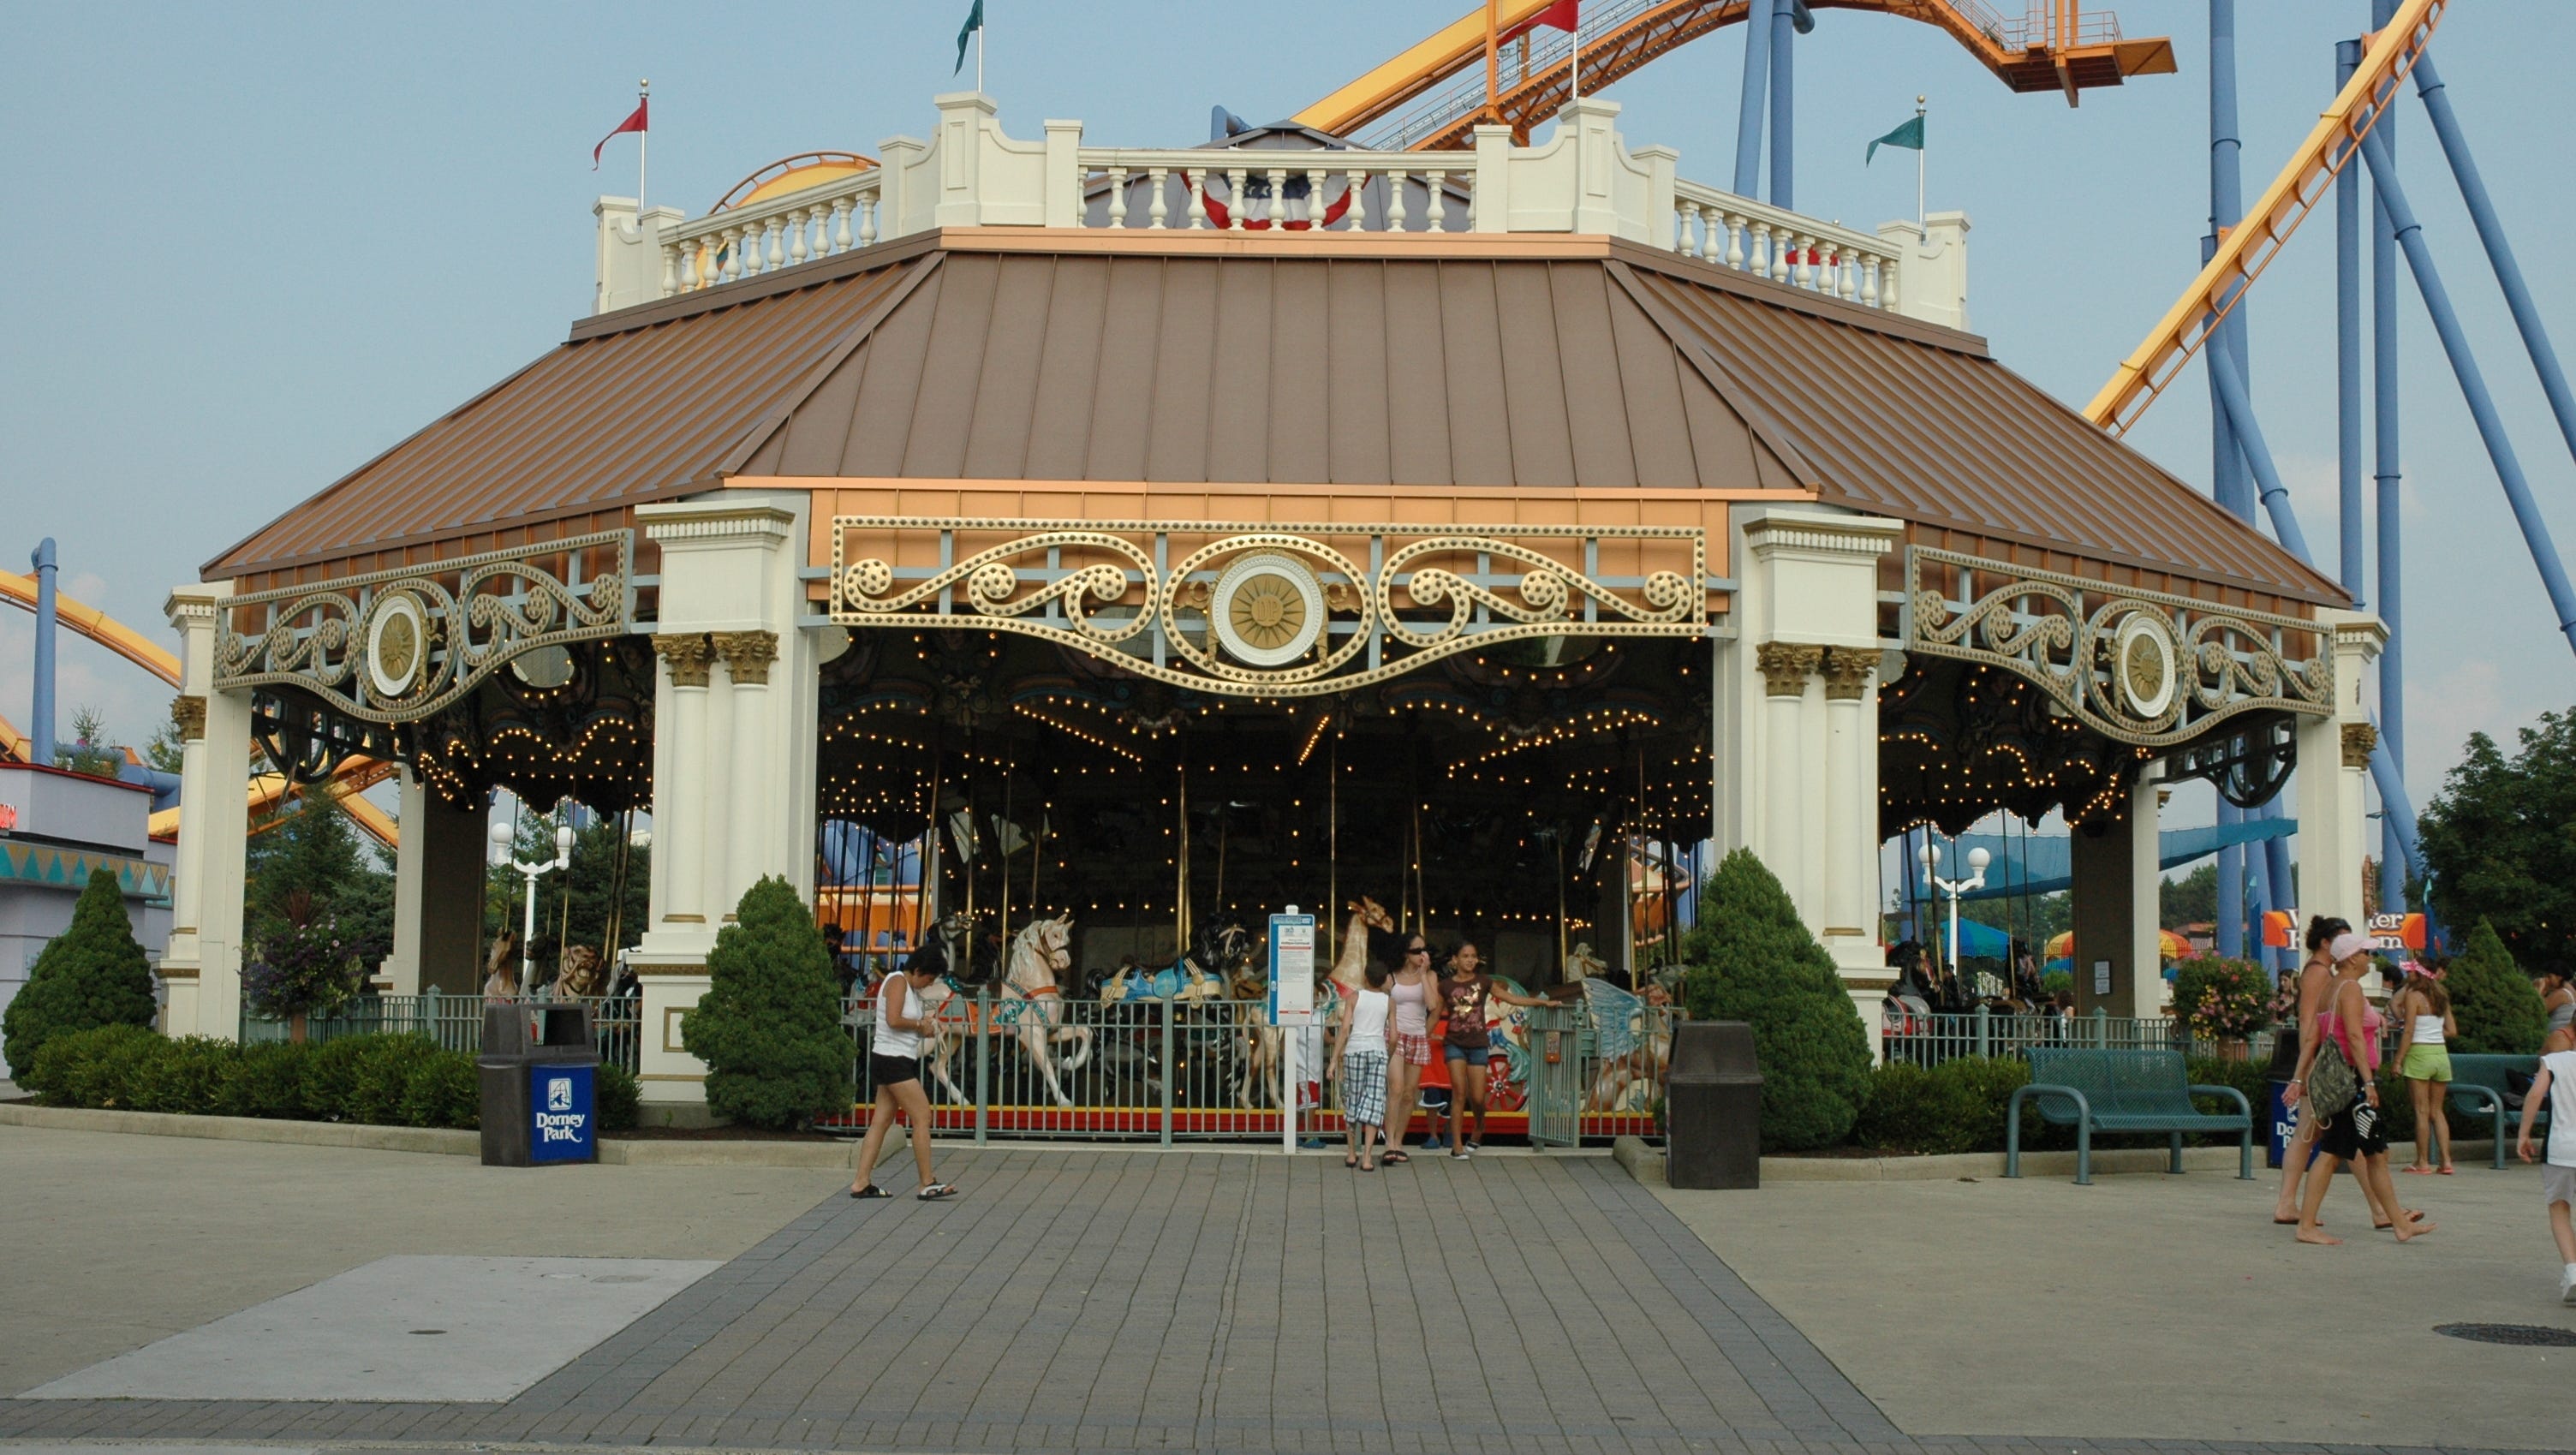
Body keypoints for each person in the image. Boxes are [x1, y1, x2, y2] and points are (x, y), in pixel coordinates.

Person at [2287, 932, 2430, 1245]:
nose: (2370, 958)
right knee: (2332, 1153)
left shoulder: (2329, 988)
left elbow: (2312, 1038)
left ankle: (2398, 1223)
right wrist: (2368, 1082)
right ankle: (2307, 1225)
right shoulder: (2349, 989)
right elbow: (2353, 1038)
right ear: (2351, 958)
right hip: (2350, 1082)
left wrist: (2298, 1079)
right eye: (2365, 953)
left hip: (2344, 1083)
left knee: (2376, 1152)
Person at [850, 945, 959, 1202]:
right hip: (893, 1059)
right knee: (922, 1115)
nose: (927, 985)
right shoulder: (898, 982)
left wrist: (926, 1025)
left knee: (882, 1120)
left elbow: (901, 1022)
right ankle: (926, 1181)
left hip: (889, 1058)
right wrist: (921, 1025)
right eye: (928, 979)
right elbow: (893, 1020)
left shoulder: (906, 986)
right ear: (918, 971)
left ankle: (861, 1181)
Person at [1436, 939, 1548, 1158]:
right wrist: (1423, 1032)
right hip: (1454, 1043)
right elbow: (1435, 1012)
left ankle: (1479, 1127)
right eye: (1466, 956)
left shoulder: (1484, 982)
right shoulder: (1446, 985)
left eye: (1473, 956)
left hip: (1478, 1044)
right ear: (1455, 959)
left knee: (1477, 1097)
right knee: (1459, 1094)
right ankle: (1457, 1145)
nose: (1470, 960)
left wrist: (1542, 1003)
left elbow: (1512, 998)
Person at [2272, 916, 2351, 1225]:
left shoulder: (2320, 972)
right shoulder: (2318, 974)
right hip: (2320, 1061)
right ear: (2326, 942)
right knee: (2328, 1132)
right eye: (2342, 940)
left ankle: (2287, 1203)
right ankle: (2382, 1209)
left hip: (2318, 1059)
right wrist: (2307, 1067)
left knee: (2308, 1134)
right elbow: (2308, 1022)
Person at [2515, 1025, 2576, 1303]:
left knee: (2559, 1207)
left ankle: (2573, 1271)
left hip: (2560, 1148)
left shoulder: (2554, 1061)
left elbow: (2535, 1095)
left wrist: (2524, 1134)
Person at [2390, 962, 2458, 1176]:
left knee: (2421, 1111)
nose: (2407, 973)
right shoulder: (2441, 997)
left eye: (2411, 971)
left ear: (2418, 974)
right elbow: (2452, 1030)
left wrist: (2398, 1061)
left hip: (2419, 1054)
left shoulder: (2413, 997)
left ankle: (2422, 1162)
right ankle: (2446, 1162)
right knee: (2437, 1111)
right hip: (2440, 1055)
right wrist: (2433, 1034)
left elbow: (2408, 1031)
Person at [1380, 932, 1441, 1165]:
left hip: (1417, 1034)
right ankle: (1389, 1143)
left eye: (1424, 950)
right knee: (1395, 1087)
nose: (1422, 954)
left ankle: (1398, 1140)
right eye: (1416, 951)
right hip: (1394, 1034)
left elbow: (1433, 1004)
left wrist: (1423, 974)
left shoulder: (1430, 975)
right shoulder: (1391, 975)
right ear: (1405, 953)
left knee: (1409, 1093)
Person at [1327, 957, 1393, 1171]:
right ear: (1384, 980)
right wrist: (1388, 1054)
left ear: (1365, 978)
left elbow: (1345, 1030)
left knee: (1353, 1100)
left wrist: (1333, 1062)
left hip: (1355, 1050)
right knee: (1374, 1102)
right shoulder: (1389, 1002)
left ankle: (1351, 1153)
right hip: (1378, 1051)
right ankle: (1367, 1158)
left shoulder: (1354, 997)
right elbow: (1394, 1036)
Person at [1418, 1016, 1453, 1152]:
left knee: (1452, 1099)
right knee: (1431, 1101)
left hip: (1448, 1060)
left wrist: (1445, 1039)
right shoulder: (1427, 1012)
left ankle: (1449, 1132)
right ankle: (1433, 1136)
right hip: (1430, 1061)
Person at [2537, 963, 2576, 1043]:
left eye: (2549, 977)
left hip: (2558, 1040)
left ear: (2559, 977)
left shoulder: (2561, 994)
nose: (2546, 980)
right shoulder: (2571, 990)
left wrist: (2540, 989)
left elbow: (2538, 1010)